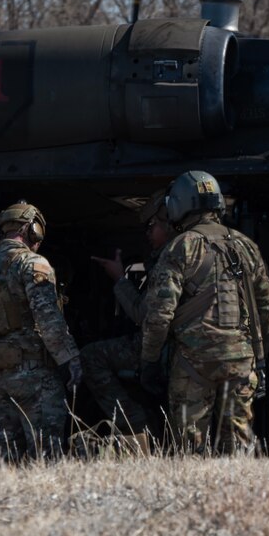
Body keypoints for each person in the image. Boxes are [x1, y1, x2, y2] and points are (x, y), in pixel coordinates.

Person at [139, 171, 269, 454]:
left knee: (190, 450)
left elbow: (159, 315)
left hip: (193, 364)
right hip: (241, 363)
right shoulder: (245, 246)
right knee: (237, 449)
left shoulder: (179, 247)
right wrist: (256, 353)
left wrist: (149, 361)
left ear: (177, 205)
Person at [0, 201, 82, 459]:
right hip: (34, 377)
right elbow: (49, 321)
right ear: (32, 230)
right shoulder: (32, 263)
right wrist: (71, 360)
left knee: (10, 459)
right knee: (46, 457)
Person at [83, 186, 172, 439]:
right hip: (171, 345)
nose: (148, 233)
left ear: (168, 224)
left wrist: (120, 279)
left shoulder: (171, 258)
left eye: (152, 225)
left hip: (162, 346)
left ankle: (135, 426)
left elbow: (142, 314)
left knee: (90, 356)